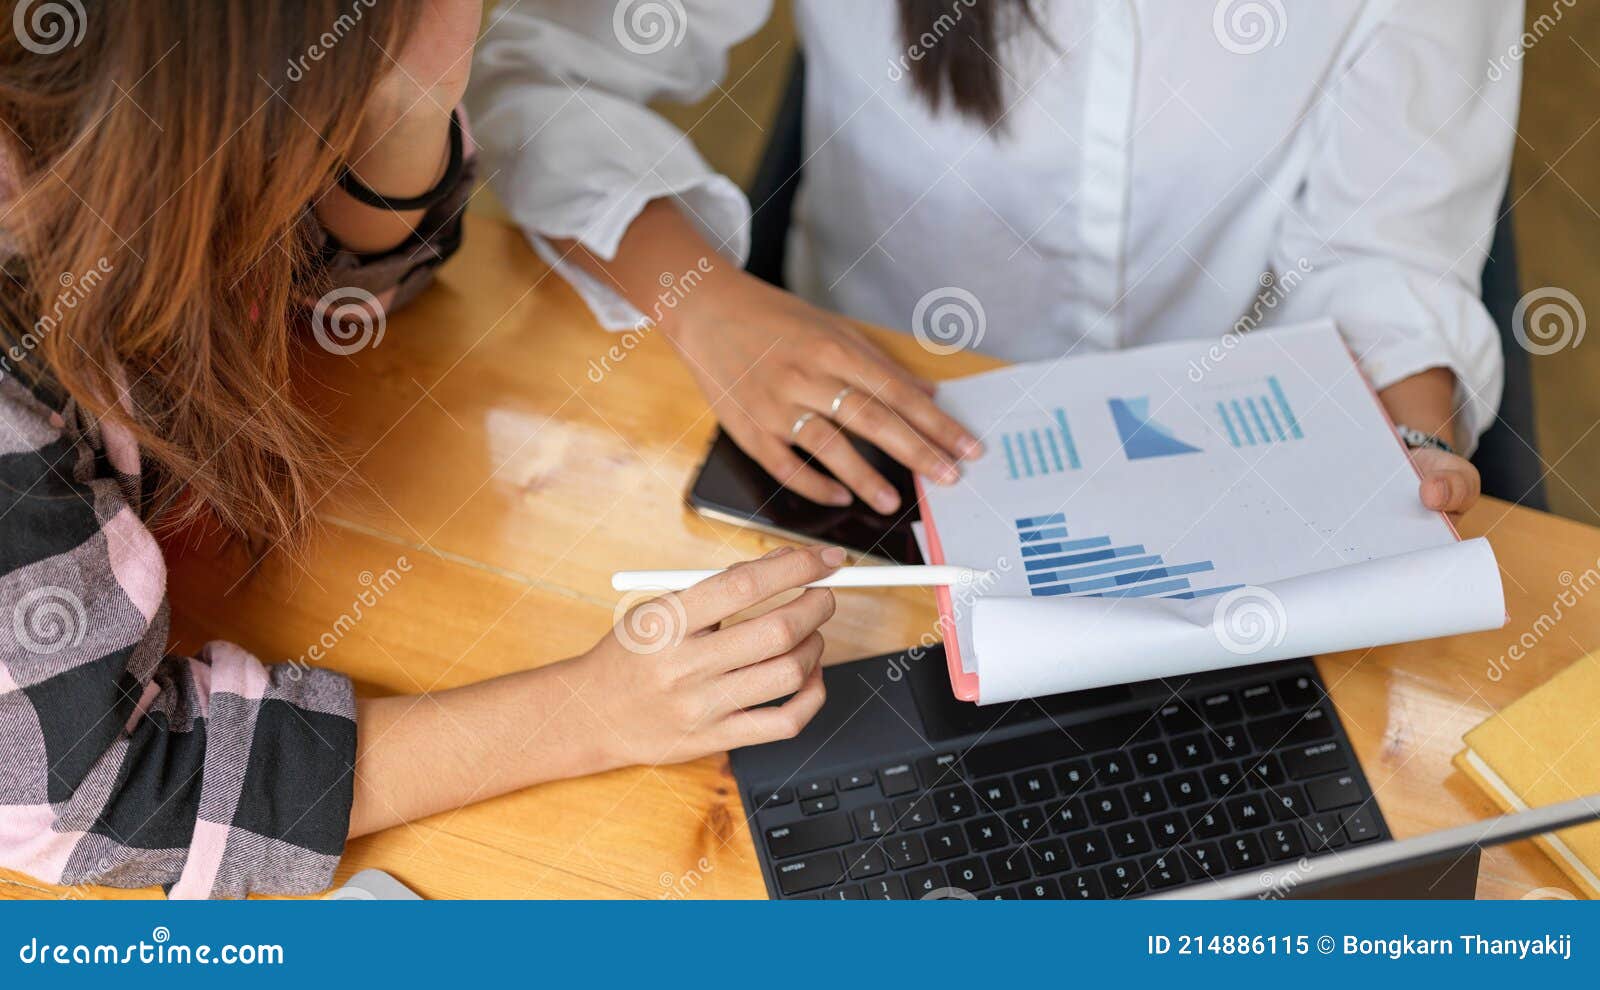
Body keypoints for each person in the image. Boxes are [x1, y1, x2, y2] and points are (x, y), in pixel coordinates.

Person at [0, 0, 836, 898]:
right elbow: (84, 798)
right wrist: (592, 712)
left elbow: (333, 292)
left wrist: (412, 89)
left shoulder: (155, 157)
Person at [468, 0, 1517, 518]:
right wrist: (706, 306)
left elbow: (1384, 249)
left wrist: (1408, 435)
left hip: (1225, 476)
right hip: (869, 447)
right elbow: (533, 70)